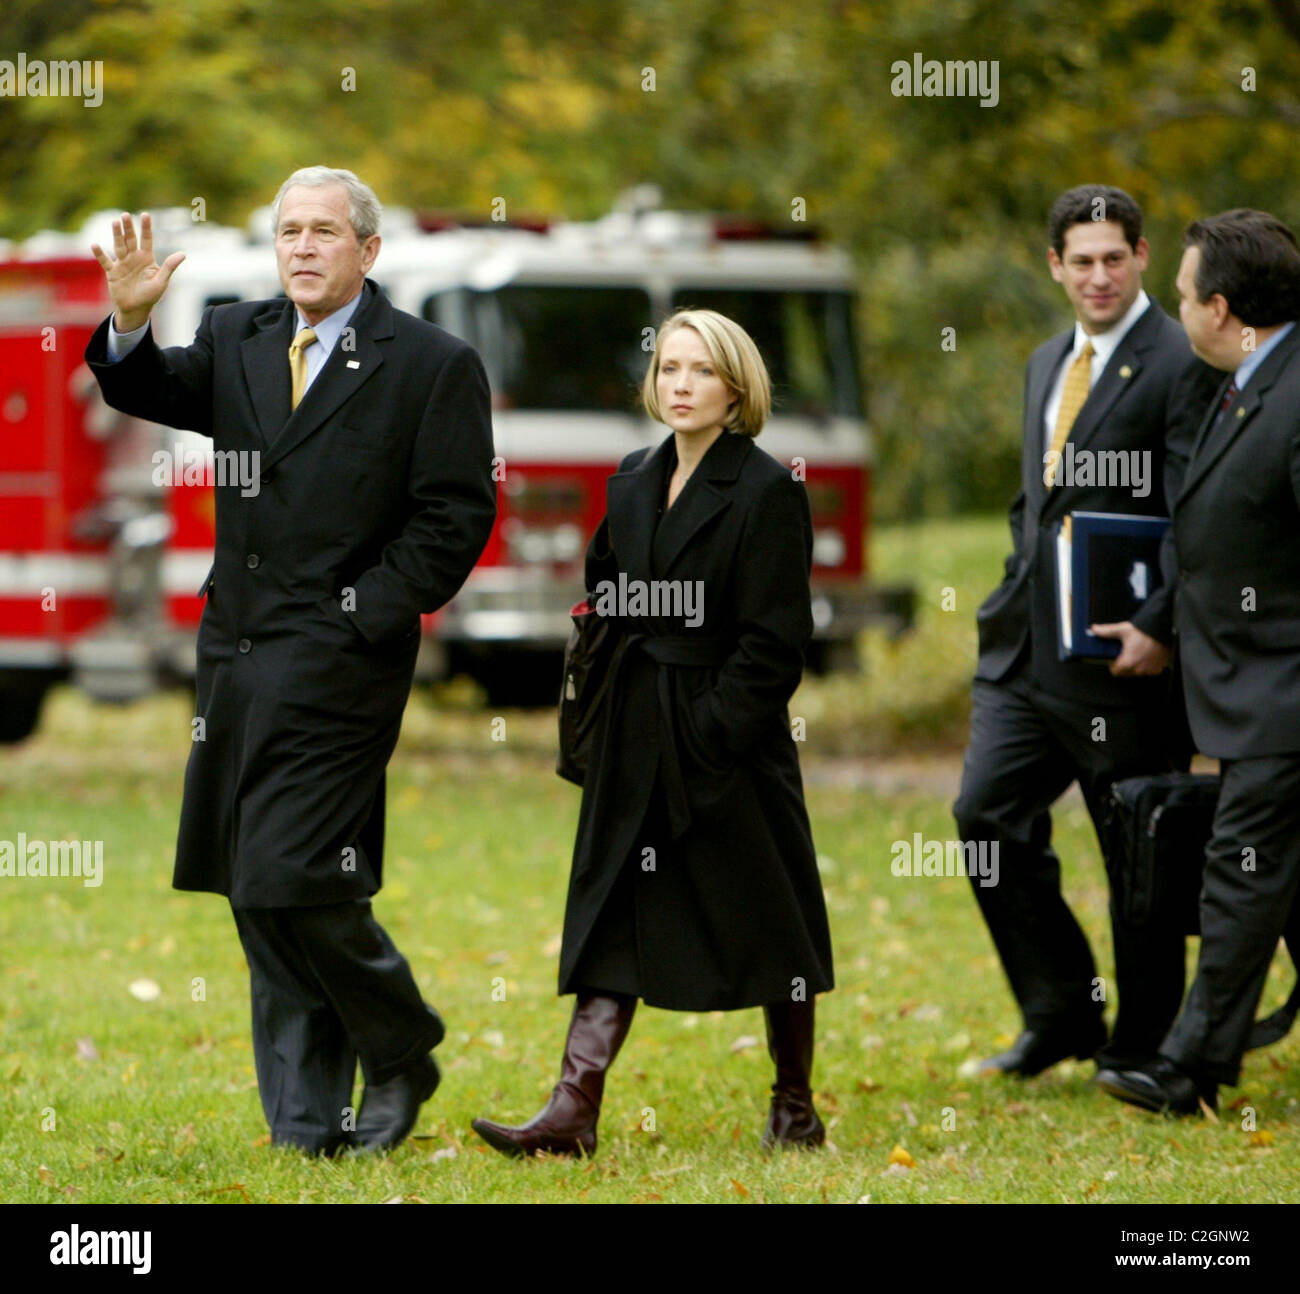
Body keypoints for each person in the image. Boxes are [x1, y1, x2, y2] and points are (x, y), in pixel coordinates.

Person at [84, 167, 497, 1155]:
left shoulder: (433, 363)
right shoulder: (237, 336)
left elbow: (456, 514)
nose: (303, 248)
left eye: (323, 232)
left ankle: (402, 1046)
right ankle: (307, 1122)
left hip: (344, 662)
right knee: (258, 879)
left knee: (292, 868)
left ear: (368, 249)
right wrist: (131, 323)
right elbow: (149, 387)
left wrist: (367, 610)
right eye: (288, 232)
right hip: (236, 651)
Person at [471, 309, 834, 1157]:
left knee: (771, 918)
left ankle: (794, 1107)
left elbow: (776, 641)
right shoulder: (632, 477)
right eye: (669, 368)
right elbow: (604, 590)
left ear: (735, 388)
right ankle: (571, 1111)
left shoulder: (768, 489)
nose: (680, 384)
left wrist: (711, 727)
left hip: (729, 742)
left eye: (700, 371)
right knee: (611, 911)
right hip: (635, 728)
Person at [953, 184, 1221, 1080]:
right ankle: (1061, 1011)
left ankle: (1143, 1044)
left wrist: (1160, 623)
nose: (1099, 275)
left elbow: (1199, 508)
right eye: (1082, 260)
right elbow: (1039, 500)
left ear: (1143, 256)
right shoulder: (1044, 362)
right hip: (1022, 655)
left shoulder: (1183, 359)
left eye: (1115, 257)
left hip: (1124, 661)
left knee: (1136, 850)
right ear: (1055, 265)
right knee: (984, 818)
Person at [1098, 210, 1300, 1115]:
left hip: (1283, 696)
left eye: (1182, 296)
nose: (1176, 310)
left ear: (1221, 307)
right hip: (1245, 691)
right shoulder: (1245, 381)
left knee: (1241, 875)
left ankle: (1191, 1067)